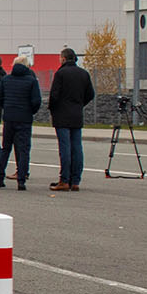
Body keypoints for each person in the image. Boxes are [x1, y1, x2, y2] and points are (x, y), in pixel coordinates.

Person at [48, 45, 97, 191]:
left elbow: (54, 95)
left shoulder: (60, 74)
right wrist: (80, 104)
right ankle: (75, 180)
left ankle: (64, 179)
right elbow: (90, 94)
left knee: (65, 148)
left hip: (62, 115)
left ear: (63, 59)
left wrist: (53, 109)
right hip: (76, 114)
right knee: (77, 148)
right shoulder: (83, 74)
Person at [0, 51, 43, 190]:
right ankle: (21, 179)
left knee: (6, 148)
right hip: (24, 118)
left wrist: (6, 107)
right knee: (23, 150)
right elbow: (36, 101)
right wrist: (30, 111)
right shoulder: (31, 81)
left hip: (9, 117)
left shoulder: (6, 79)